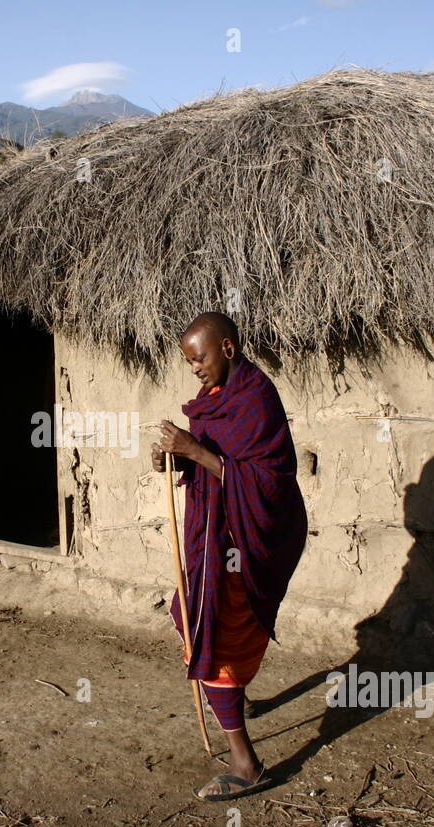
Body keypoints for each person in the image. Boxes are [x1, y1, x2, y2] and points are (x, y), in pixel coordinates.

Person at [153, 312, 307, 800]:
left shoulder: (256, 399)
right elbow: (215, 460)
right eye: (188, 362)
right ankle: (236, 706)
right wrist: (175, 455)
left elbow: (268, 482)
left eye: (198, 358)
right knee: (192, 617)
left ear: (227, 349)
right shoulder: (213, 401)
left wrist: (195, 452)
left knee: (211, 635)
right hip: (210, 539)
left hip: (243, 545)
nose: (194, 369)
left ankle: (247, 764)